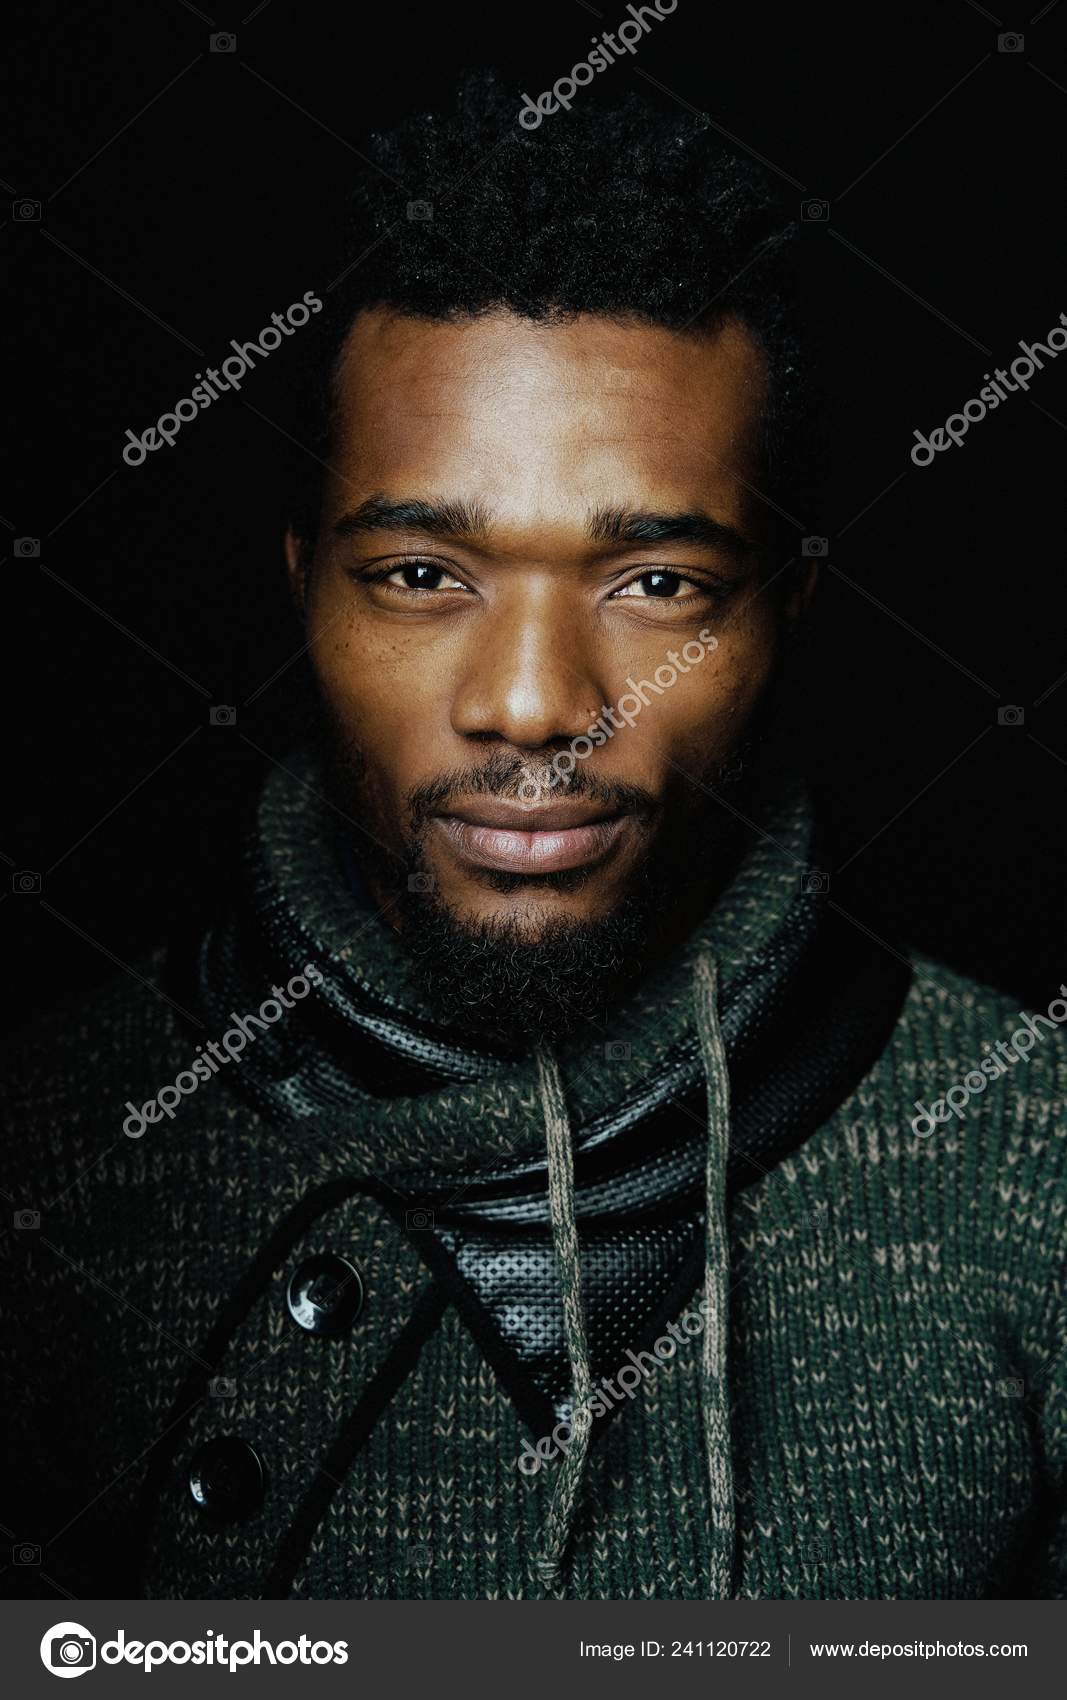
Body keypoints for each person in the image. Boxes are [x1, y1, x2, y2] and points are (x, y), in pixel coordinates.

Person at [3, 74, 1064, 1602]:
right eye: (426, 576)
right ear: (303, 594)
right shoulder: (49, 1160)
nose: (531, 706)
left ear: (787, 617)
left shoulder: (1035, 1173)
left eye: (657, 588)